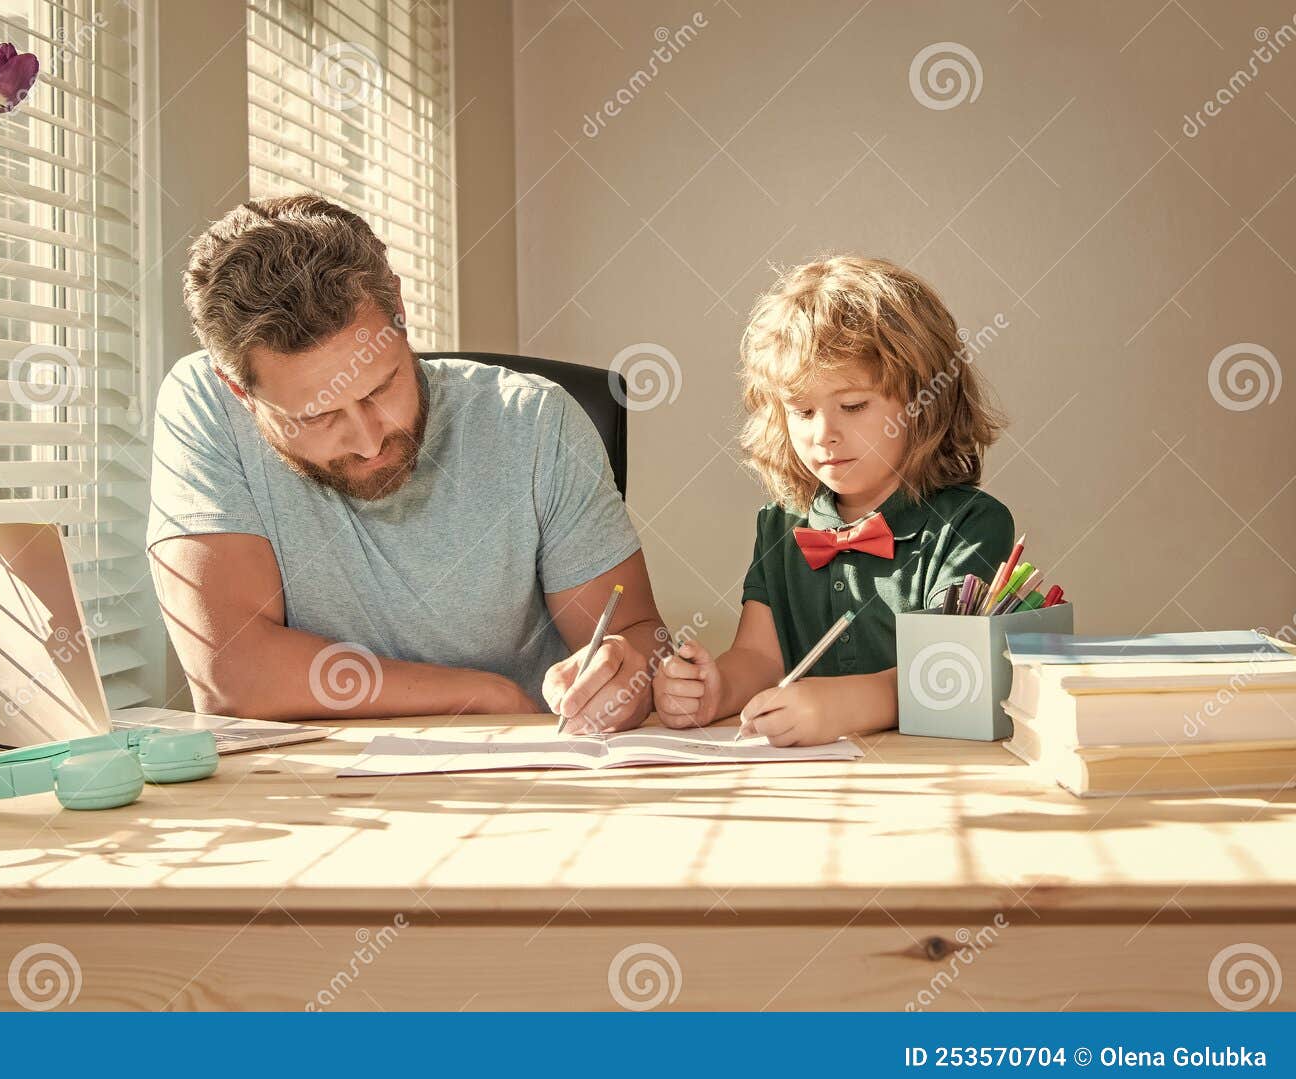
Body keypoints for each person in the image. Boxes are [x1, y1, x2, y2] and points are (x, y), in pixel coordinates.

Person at [147, 194, 667, 732]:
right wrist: (482, 696)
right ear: (239, 391)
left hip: (523, 776)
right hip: (314, 791)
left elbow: (637, 634)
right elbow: (230, 674)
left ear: (397, 305)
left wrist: (625, 672)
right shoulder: (204, 404)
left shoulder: (536, 421)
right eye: (317, 416)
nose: (369, 442)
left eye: (381, 387)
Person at [653, 255, 1013, 744]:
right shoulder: (782, 525)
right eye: (801, 410)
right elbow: (761, 657)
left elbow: (943, 678)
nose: (824, 434)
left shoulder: (973, 525)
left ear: (924, 401)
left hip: (932, 773)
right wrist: (715, 689)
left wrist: (839, 705)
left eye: (853, 406)